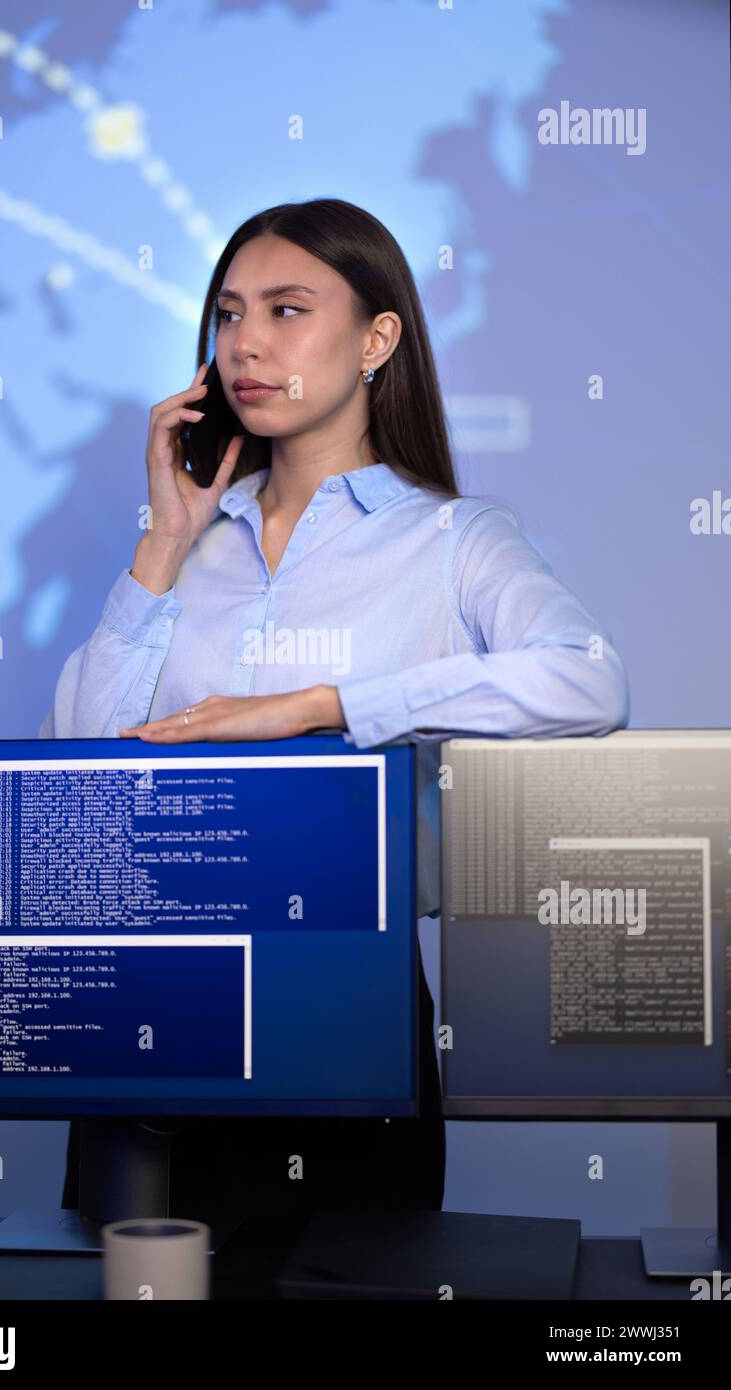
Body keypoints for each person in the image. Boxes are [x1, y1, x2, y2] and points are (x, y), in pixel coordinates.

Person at [40, 197, 630, 1223]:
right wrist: (162, 550)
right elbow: (83, 772)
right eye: (228, 315)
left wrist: (322, 706)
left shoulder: (454, 539)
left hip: (348, 1003)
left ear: (378, 338)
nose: (245, 345)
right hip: (148, 1001)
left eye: (285, 309)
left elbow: (588, 679)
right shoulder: (189, 548)